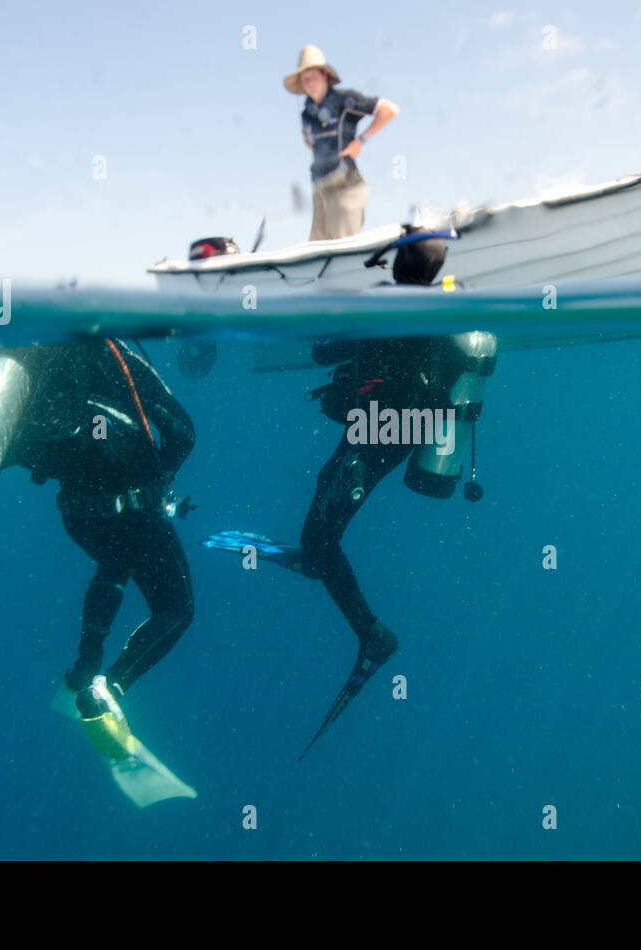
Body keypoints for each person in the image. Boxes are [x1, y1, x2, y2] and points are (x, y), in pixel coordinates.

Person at [202, 234, 497, 758]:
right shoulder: (433, 305)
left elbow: (327, 348)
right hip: (399, 423)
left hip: (383, 427)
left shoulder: (392, 304)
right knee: (323, 506)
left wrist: (330, 327)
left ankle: (370, 632)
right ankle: (316, 556)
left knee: (322, 529)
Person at [0, 339, 197, 720]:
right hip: (132, 512)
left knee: (117, 560)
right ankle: (108, 689)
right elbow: (184, 432)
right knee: (177, 609)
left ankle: (86, 664)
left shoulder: (33, 354)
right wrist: (158, 480)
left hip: (79, 519)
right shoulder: (112, 353)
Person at [285, 44, 399, 241]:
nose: (309, 82)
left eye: (312, 76)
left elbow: (389, 110)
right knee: (317, 250)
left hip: (345, 184)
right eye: (305, 79)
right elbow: (309, 141)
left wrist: (361, 140)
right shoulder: (306, 113)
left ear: (324, 75)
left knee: (343, 244)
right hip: (320, 187)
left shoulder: (345, 100)